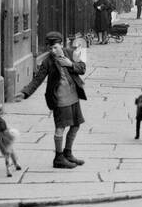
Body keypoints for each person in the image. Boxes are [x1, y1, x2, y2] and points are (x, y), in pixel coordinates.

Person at [12, 31, 88, 169]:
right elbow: (37, 79)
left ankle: (68, 153)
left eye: (55, 47)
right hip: (60, 99)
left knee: (76, 125)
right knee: (60, 127)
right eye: (50, 48)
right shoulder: (47, 62)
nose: (53, 51)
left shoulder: (71, 53)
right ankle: (58, 158)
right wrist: (25, 93)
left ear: (61, 45)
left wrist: (70, 64)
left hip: (74, 96)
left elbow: (82, 68)